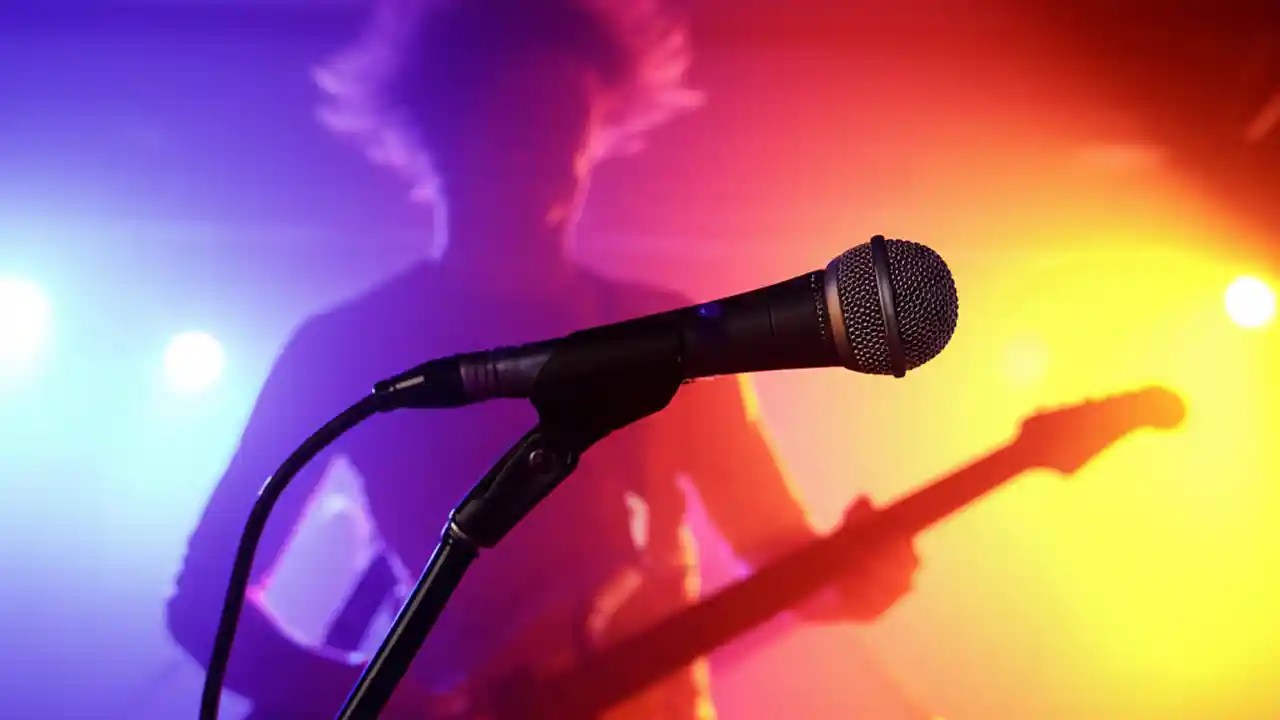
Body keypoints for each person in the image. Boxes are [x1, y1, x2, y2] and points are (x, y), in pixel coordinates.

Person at [165, 1, 919, 717]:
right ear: (441, 132)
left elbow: (783, 561)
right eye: (514, 121)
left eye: (568, 126)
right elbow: (205, 602)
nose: (545, 155)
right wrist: (384, 700)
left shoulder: (674, 336)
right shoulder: (346, 349)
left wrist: (857, 579)